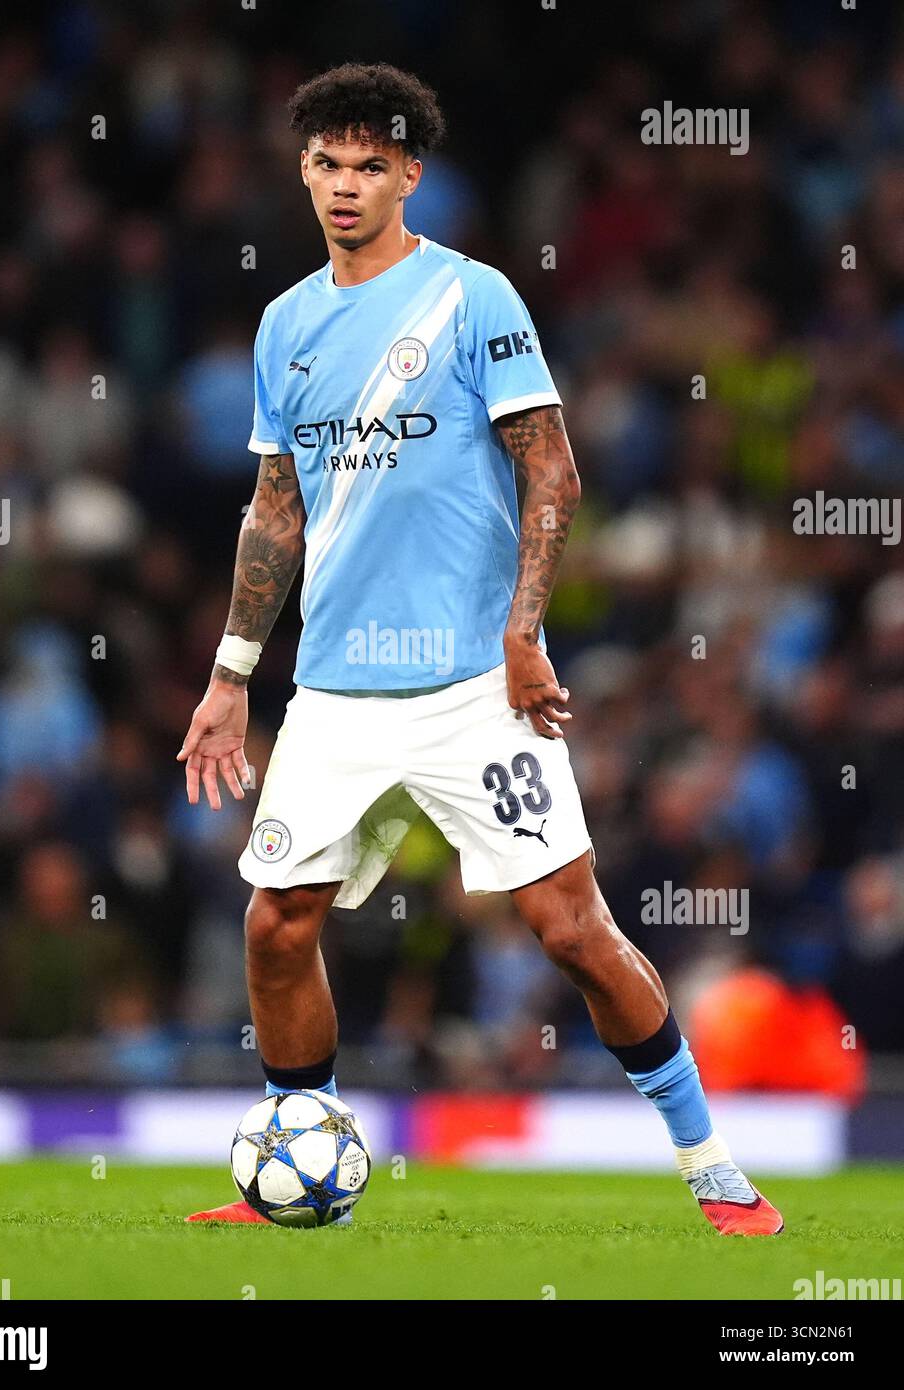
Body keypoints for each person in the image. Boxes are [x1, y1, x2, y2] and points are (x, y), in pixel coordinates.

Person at [178, 62, 781, 1235]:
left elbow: (550, 469)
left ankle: (711, 1163)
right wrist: (229, 675)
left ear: (410, 172)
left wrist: (521, 632)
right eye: (327, 164)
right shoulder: (285, 324)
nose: (346, 186)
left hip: (472, 682)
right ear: (304, 172)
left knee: (570, 927)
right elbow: (276, 509)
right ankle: (304, 1148)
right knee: (275, 922)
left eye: (370, 165)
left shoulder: (474, 297)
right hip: (336, 690)